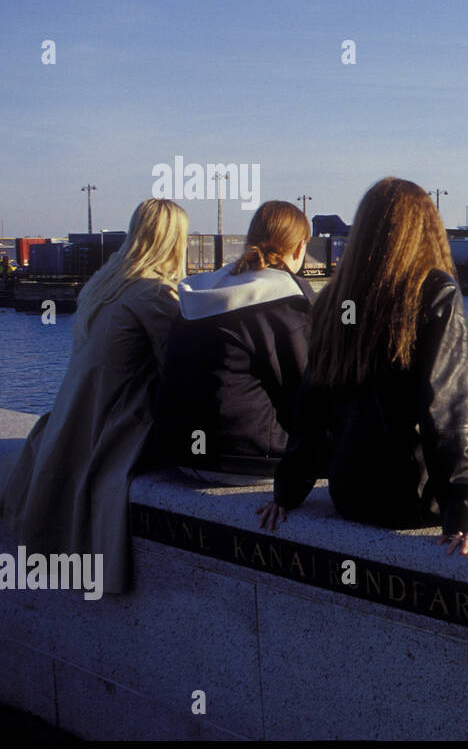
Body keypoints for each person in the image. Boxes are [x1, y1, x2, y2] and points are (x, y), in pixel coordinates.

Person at [256, 178, 468, 555]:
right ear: (426, 229)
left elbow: (310, 411)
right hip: (415, 498)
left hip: (350, 494)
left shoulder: (333, 301)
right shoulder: (434, 290)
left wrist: (287, 493)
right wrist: (465, 508)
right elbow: (444, 409)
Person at [0, 199, 190, 593]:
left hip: (72, 421)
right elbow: (179, 373)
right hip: (112, 425)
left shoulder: (105, 283)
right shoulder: (154, 294)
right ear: (176, 240)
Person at [155, 201, 315, 480]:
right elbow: (307, 391)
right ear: (300, 247)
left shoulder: (199, 291)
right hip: (245, 460)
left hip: (180, 454)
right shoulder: (288, 300)